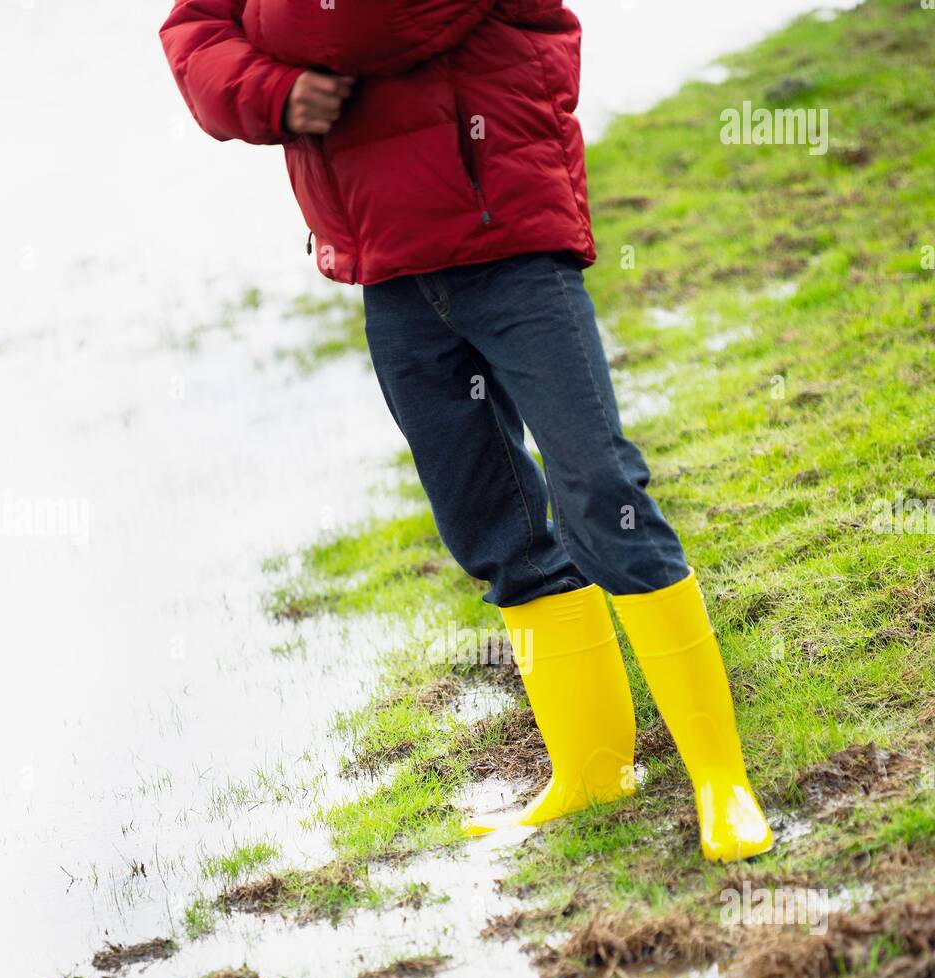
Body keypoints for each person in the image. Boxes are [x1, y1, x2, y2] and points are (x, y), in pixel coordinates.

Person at [160, 0, 773, 862]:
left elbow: (354, 25)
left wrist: (265, 26)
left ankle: (723, 779)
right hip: (390, 261)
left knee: (601, 490)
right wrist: (271, 88)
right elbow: (191, 34)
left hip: (510, 238)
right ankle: (595, 770)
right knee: (490, 522)